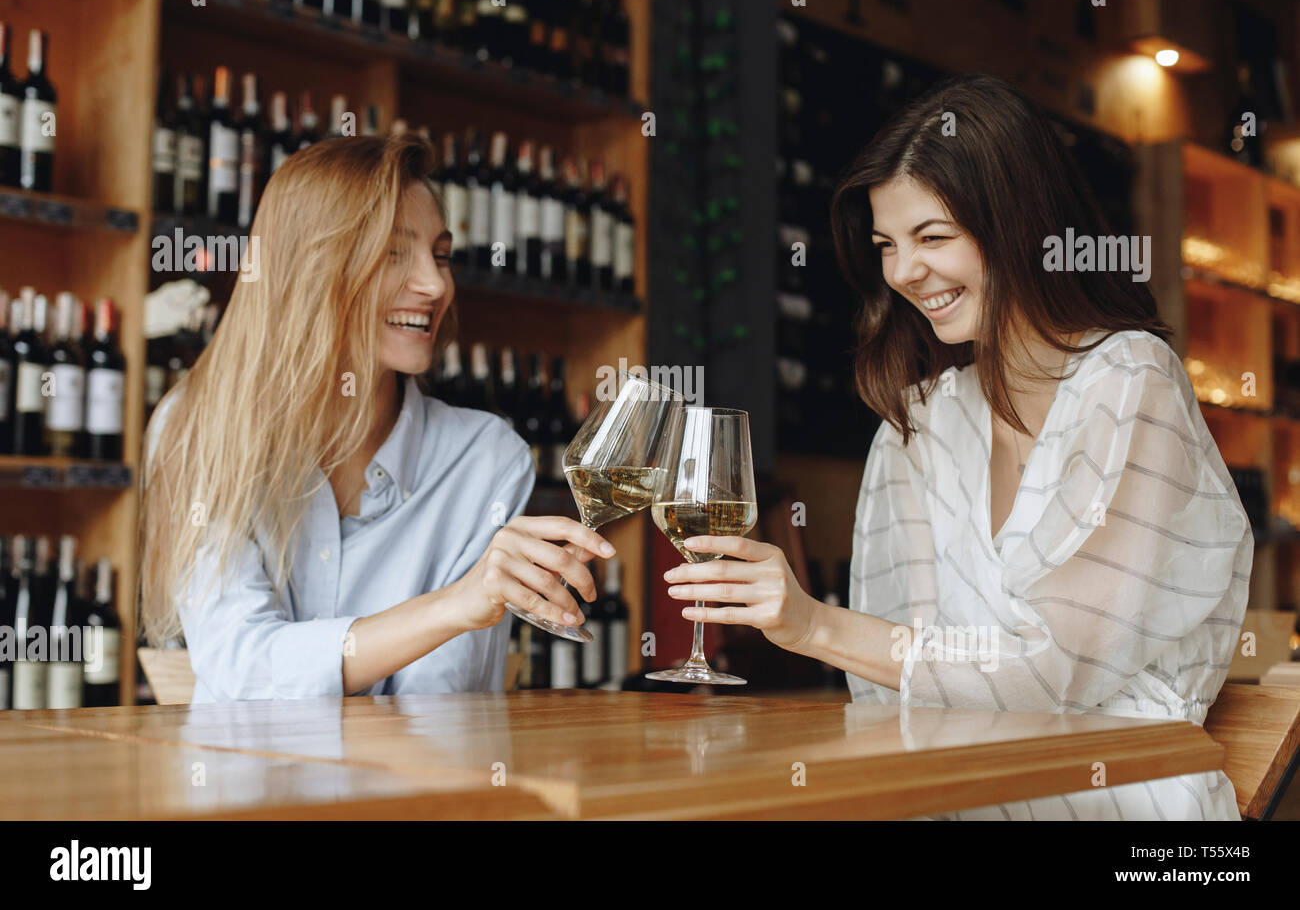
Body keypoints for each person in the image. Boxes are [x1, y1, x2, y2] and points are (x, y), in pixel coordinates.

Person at [662, 74, 1250, 820]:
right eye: (887, 246)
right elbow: (888, 691)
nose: (905, 272)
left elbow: (1054, 671)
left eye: (933, 238)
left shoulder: (1132, 381)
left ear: (1018, 224)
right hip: (966, 796)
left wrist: (812, 625)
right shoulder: (927, 418)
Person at [140, 134, 611, 702]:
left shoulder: (484, 461)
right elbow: (240, 666)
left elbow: (436, 715)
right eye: (393, 252)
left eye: (440, 254)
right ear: (309, 268)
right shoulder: (195, 427)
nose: (436, 285)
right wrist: (452, 605)